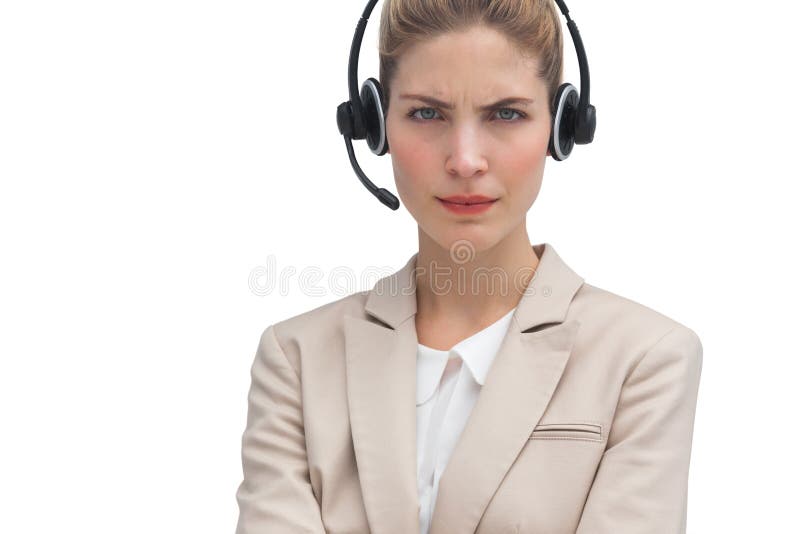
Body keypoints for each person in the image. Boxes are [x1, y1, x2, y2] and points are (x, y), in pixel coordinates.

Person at [235, 1, 703, 533]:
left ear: (563, 125)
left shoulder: (646, 359)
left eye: (506, 113)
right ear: (373, 124)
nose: (465, 160)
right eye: (427, 113)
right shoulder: (295, 361)